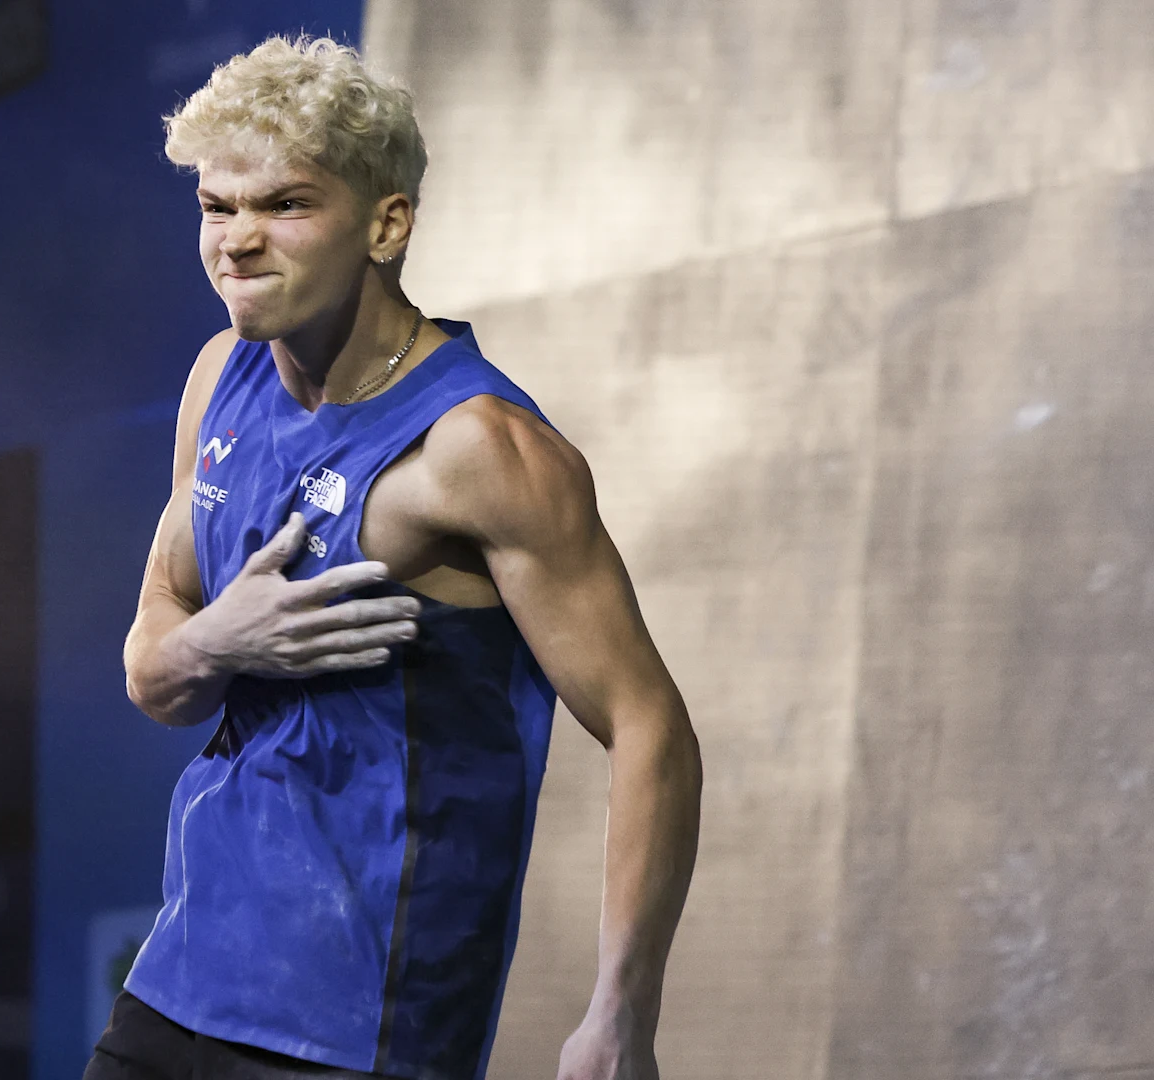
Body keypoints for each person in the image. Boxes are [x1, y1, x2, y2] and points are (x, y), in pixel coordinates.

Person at [86, 35, 701, 1080]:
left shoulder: (480, 450)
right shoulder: (219, 379)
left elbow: (652, 727)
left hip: (363, 1029)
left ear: (386, 223)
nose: (237, 241)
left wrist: (621, 1011)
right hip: (178, 983)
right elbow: (155, 674)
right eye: (215, 206)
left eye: (284, 204)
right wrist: (218, 641)